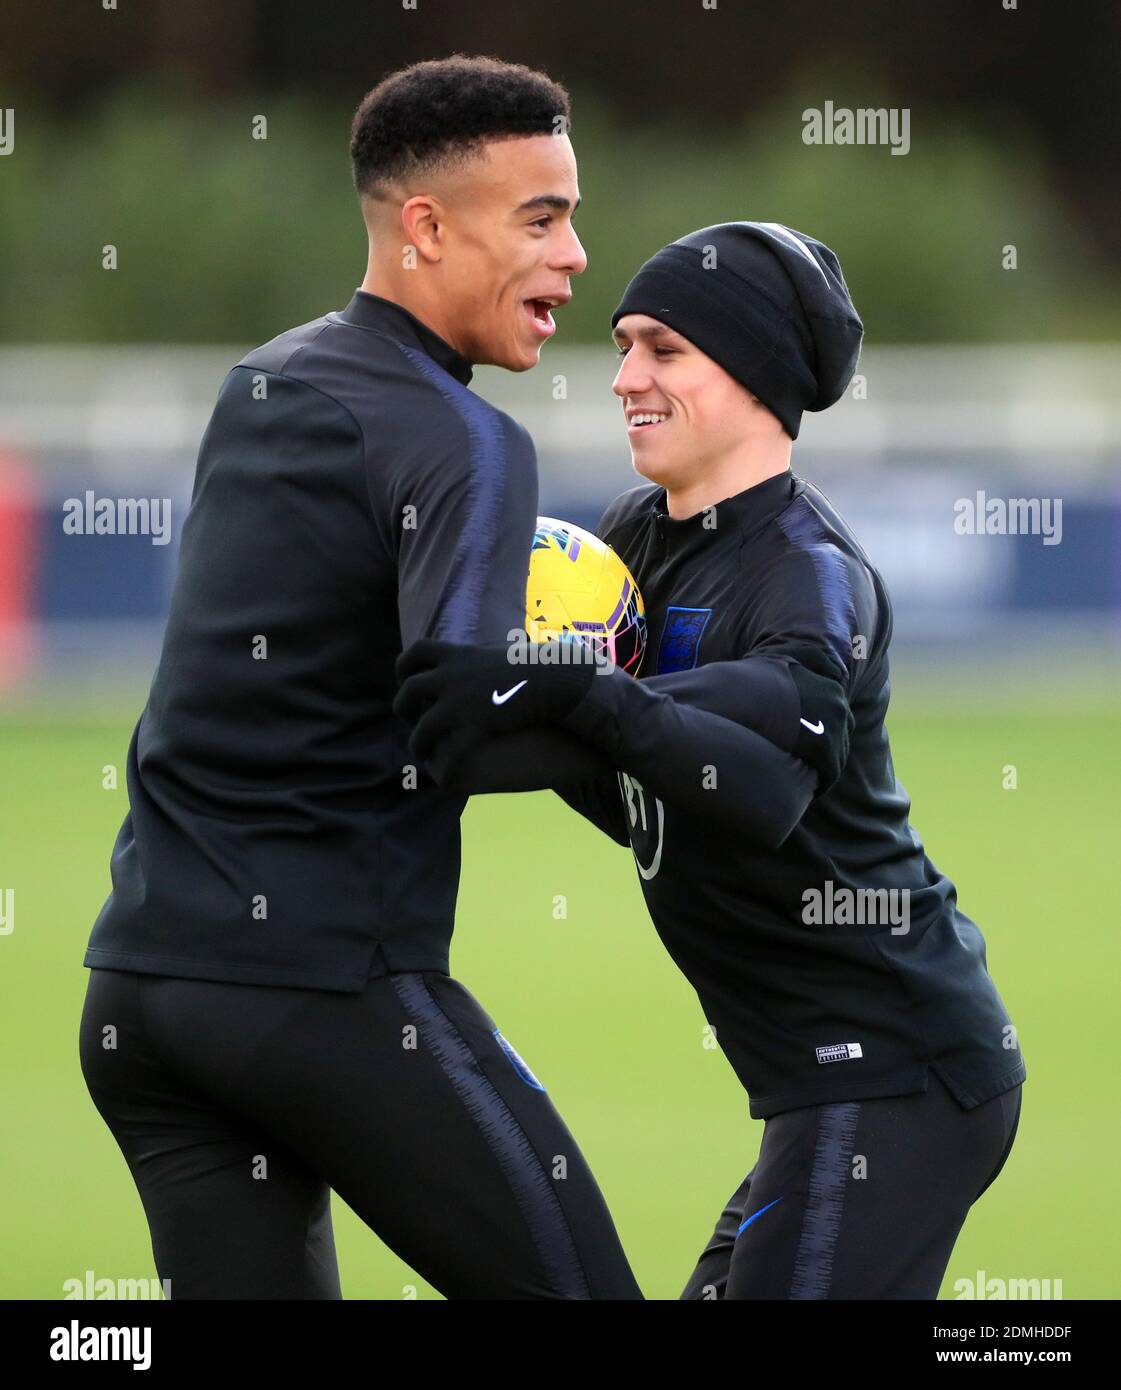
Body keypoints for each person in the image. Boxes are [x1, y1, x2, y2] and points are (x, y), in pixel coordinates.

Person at [78, 55, 643, 1301]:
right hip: (323, 999)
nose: (575, 255)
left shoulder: (266, 377)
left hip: (143, 999)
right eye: (541, 219)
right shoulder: (466, 441)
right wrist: (661, 734)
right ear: (426, 227)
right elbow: (462, 727)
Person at [394, 221, 1027, 1300]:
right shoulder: (632, 540)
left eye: (662, 349)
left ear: (754, 372)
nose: (624, 375)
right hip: (815, 1090)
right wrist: (437, 727)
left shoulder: (810, 574)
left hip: (897, 1074)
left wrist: (576, 688)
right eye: (624, 344)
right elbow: (613, 764)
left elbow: (761, 782)